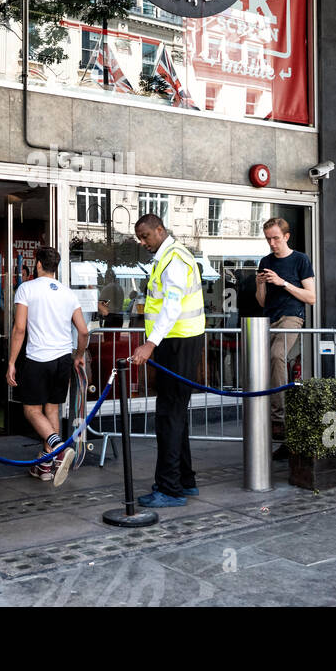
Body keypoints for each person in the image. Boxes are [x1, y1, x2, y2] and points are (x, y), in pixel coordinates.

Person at [129, 213, 206, 508]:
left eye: (146, 236)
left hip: (177, 343)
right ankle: (184, 480)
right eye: (140, 238)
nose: (143, 242)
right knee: (175, 413)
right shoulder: (171, 256)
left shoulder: (173, 259)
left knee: (168, 416)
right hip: (177, 341)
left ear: (160, 230)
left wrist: (150, 343)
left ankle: (170, 488)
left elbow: (172, 307)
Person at [6, 246, 87, 485]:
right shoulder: (68, 293)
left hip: (37, 359)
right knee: (52, 410)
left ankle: (58, 447)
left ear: (38, 264)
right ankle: (45, 467)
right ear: (56, 266)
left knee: (31, 411)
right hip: (63, 359)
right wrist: (79, 355)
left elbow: (20, 328)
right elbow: (83, 331)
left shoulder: (26, 288)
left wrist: (11, 362)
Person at [254, 217, 316, 460]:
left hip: (292, 317)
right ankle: (285, 433)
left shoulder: (300, 259)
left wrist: (283, 283)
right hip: (269, 319)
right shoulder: (265, 261)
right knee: (264, 366)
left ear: (286, 237)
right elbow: (262, 302)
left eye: (276, 238)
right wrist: (260, 285)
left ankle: (278, 417)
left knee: (276, 355)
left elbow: (311, 298)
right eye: (268, 239)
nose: (272, 243)